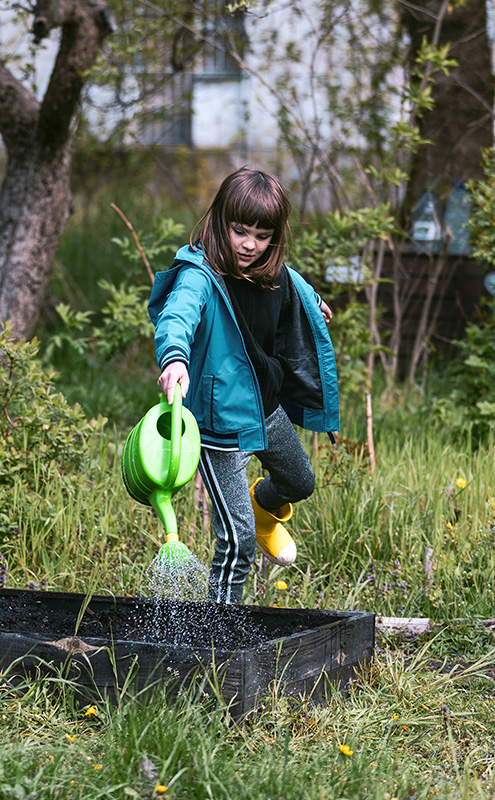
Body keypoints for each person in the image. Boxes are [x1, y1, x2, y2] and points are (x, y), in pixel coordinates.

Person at [147, 168, 340, 604]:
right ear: (220, 222)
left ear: (275, 237)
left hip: (264, 410)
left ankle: (262, 507)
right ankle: (220, 630)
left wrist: (312, 303)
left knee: (299, 483)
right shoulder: (199, 276)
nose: (250, 245)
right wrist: (174, 358)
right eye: (240, 231)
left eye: (262, 235)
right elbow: (177, 315)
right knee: (238, 540)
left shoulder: (272, 272)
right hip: (219, 427)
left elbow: (292, 281)